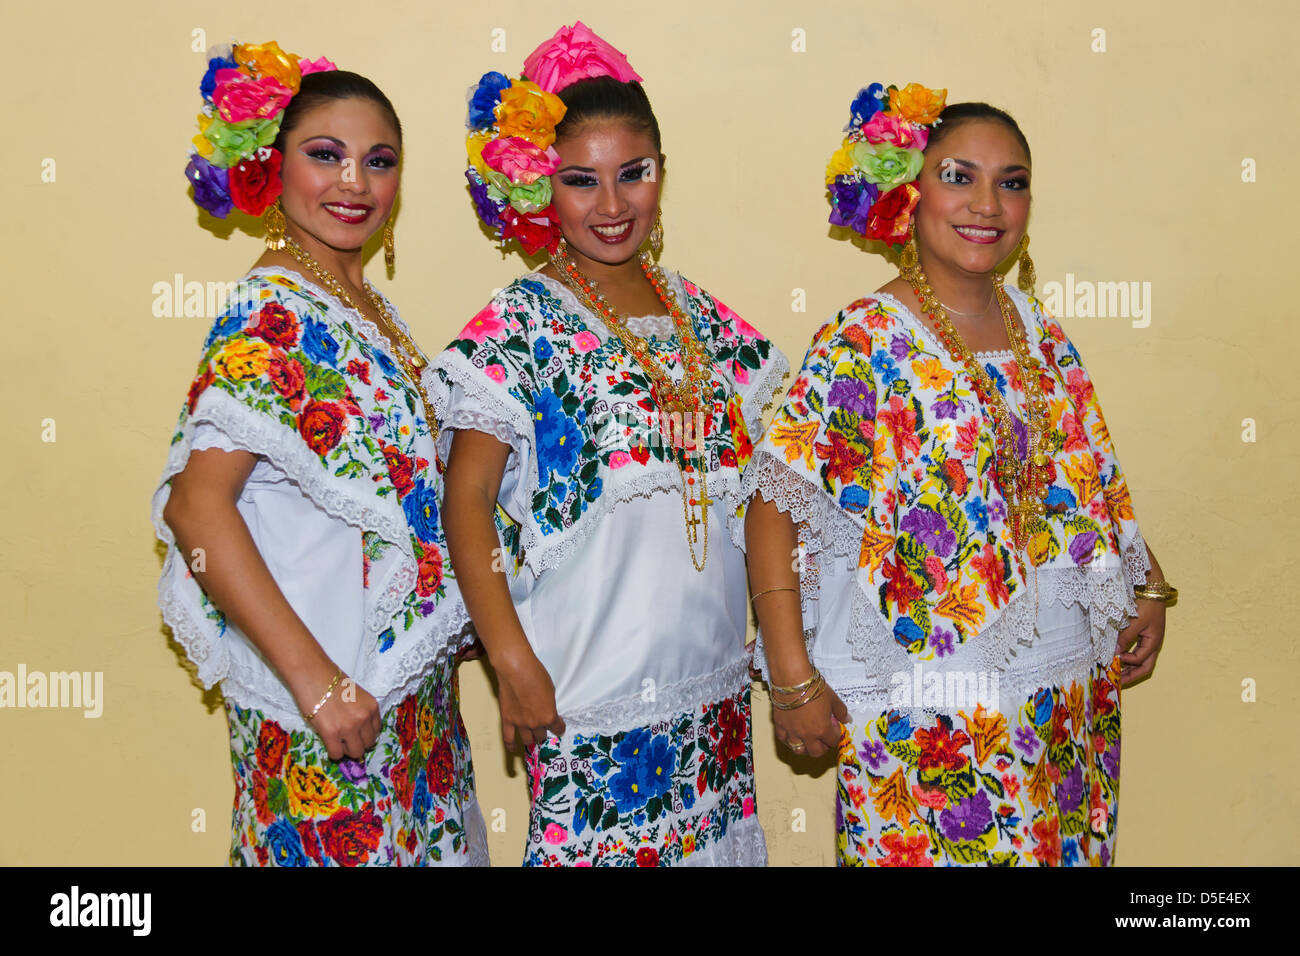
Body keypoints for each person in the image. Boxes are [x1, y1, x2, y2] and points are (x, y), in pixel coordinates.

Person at [741, 83, 1175, 866]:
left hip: (1061, 698)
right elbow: (775, 504)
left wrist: (1146, 583)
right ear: (910, 191)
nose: (988, 203)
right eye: (958, 176)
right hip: (929, 719)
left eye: (1011, 182)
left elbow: (1085, 479)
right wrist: (794, 681)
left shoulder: (1040, 334)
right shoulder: (866, 339)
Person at [433, 21, 785, 866]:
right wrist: (512, 663)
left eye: (635, 174)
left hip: (711, 694)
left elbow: (775, 492)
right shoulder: (518, 329)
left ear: (664, 173)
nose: (614, 204)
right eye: (580, 181)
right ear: (540, 192)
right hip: (587, 692)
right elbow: (465, 501)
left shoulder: (710, 326)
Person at [153, 41, 488, 866]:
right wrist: (317, 683)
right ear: (273, 166)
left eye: (380, 162)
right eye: (325, 155)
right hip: (328, 722)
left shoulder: (370, 309)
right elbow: (194, 507)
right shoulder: (272, 312)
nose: (354, 183)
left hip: (407, 712)